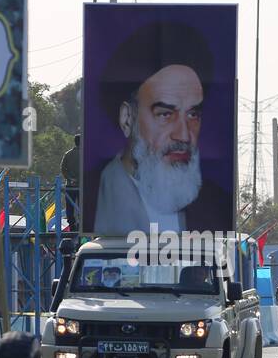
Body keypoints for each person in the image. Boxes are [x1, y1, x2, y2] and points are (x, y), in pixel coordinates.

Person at [91, 21, 232, 235]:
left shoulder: (215, 204)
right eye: (166, 114)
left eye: (193, 114)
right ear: (127, 119)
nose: (184, 135)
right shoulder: (94, 198)